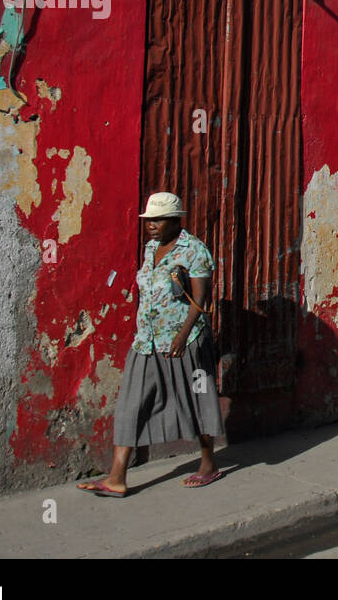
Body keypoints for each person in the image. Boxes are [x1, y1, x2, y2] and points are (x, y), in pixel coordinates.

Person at [77, 192, 226, 498]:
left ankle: (208, 463)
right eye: (149, 221)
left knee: (195, 399)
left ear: (175, 221)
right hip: (146, 340)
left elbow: (201, 299)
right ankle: (117, 477)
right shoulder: (150, 250)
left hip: (185, 341)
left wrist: (183, 337)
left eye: (159, 220)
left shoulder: (195, 251)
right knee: (131, 405)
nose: (152, 226)